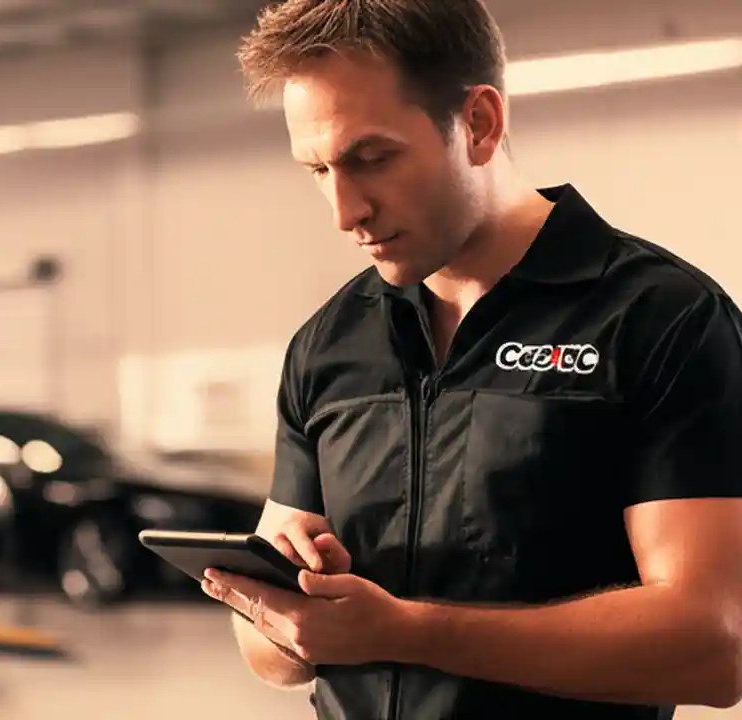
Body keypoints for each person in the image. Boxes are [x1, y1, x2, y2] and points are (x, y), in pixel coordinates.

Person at [199, 1, 742, 718]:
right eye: (318, 169)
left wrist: (408, 633)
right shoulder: (328, 342)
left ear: (479, 124)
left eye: (372, 159)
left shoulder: (660, 319)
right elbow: (269, 656)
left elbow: (713, 647)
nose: (344, 211)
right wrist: (289, 606)